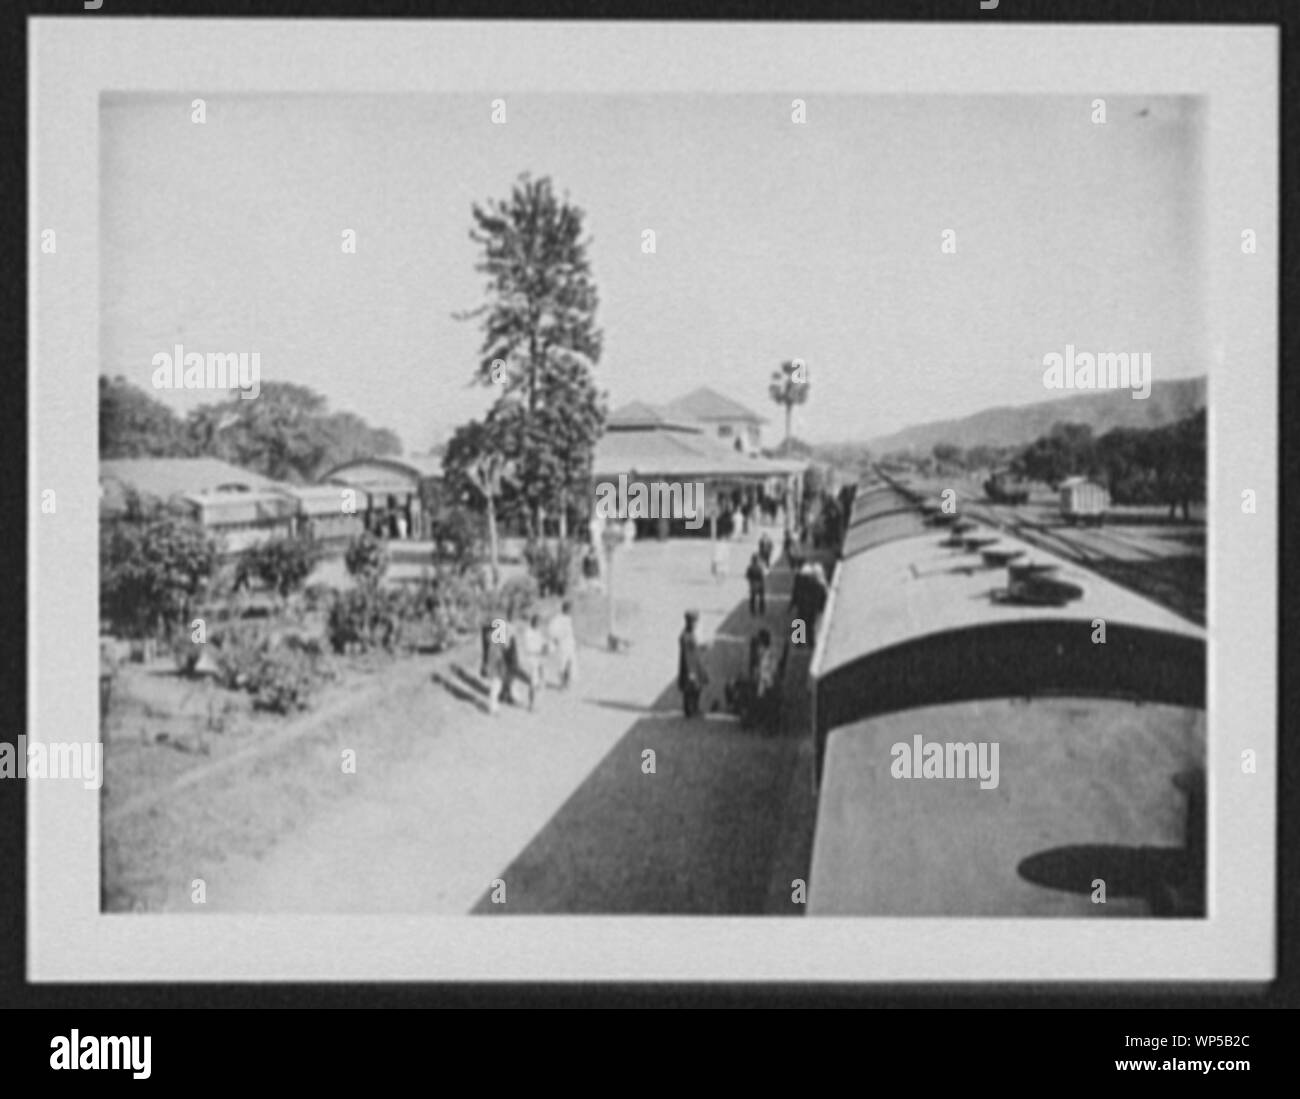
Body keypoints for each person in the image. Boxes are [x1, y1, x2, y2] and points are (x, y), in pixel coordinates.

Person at [677, 610, 709, 718]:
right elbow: (686, 656)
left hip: (696, 664)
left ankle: (695, 707)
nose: (695, 625)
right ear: (688, 622)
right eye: (693, 622)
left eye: (696, 622)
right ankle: (688, 710)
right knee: (689, 689)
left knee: (697, 687)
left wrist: (703, 647)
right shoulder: (685, 636)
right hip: (690, 667)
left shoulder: (691, 633)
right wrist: (690, 672)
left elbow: (694, 648)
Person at [548, 601, 578, 688]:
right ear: (566, 609)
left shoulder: (569, 618)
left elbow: (570, 633)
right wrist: (556, 639)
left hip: (570, 645)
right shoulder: (558, 618)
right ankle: (562, 683)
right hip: (562, 646)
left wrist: (574, 643)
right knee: (562, 665)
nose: (571, 611)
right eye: (570, 609)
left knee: (570, 663)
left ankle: (567, 682)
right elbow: (551, 629)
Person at [521, 614, 548, 697]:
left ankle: (539, 690)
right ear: (532, 622)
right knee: (533, 681)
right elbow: (528, 647)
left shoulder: (538, 631)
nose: (538, 624)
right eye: (536, 622)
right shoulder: (528, 632)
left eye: (539, 622)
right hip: (531, 658)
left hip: (539, 657)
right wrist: (539, 650)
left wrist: (545, 647)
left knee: (543, 673)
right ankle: (531, 703)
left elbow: (543, 642)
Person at [745, 551, 767, 616]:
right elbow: (762, 576)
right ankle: (762, 611)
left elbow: (747, 576)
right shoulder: (760, 567)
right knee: (761, 598)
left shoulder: (750, 567)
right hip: (760, 585)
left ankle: (753, 612)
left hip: (753, 585)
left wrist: (751, 581)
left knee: (752, 599)